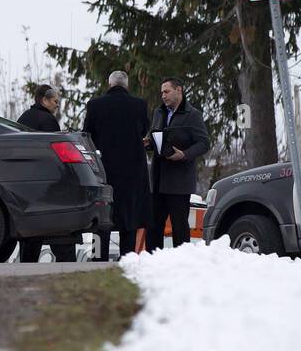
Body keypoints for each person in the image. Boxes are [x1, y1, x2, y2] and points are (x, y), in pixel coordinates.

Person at [82, 71, 151, 261]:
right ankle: (127, 259)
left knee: (102, 216)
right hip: (132, 170)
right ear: (126, 85)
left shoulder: (95, 105)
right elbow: (143, 129)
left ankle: (98, 260)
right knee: (129, 218)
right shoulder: (139, 105)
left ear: (109, 84)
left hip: (104, 170)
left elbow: (87, 134)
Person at [16, 85, 76, 262]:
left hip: (25, 184)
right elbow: (55, 155)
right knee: (59, 235)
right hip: (46, 185)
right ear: (44, 100)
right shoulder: (48, 120)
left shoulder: (23, 117)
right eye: (55, 101)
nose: (58, 105)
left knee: (30, 240)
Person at [149, 77, 210, 248]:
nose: (163, 96)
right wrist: (148, 143)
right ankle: (152, 262)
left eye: (167, 91)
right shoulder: (159, 113)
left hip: (179, 182)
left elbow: (204, 143)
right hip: (158, 179)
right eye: (162, 92)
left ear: (179, 90)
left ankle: (181, 262)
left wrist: (184, 154)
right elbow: (156, 138)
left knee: (179, 226)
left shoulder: (192, 115)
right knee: (153, 225)